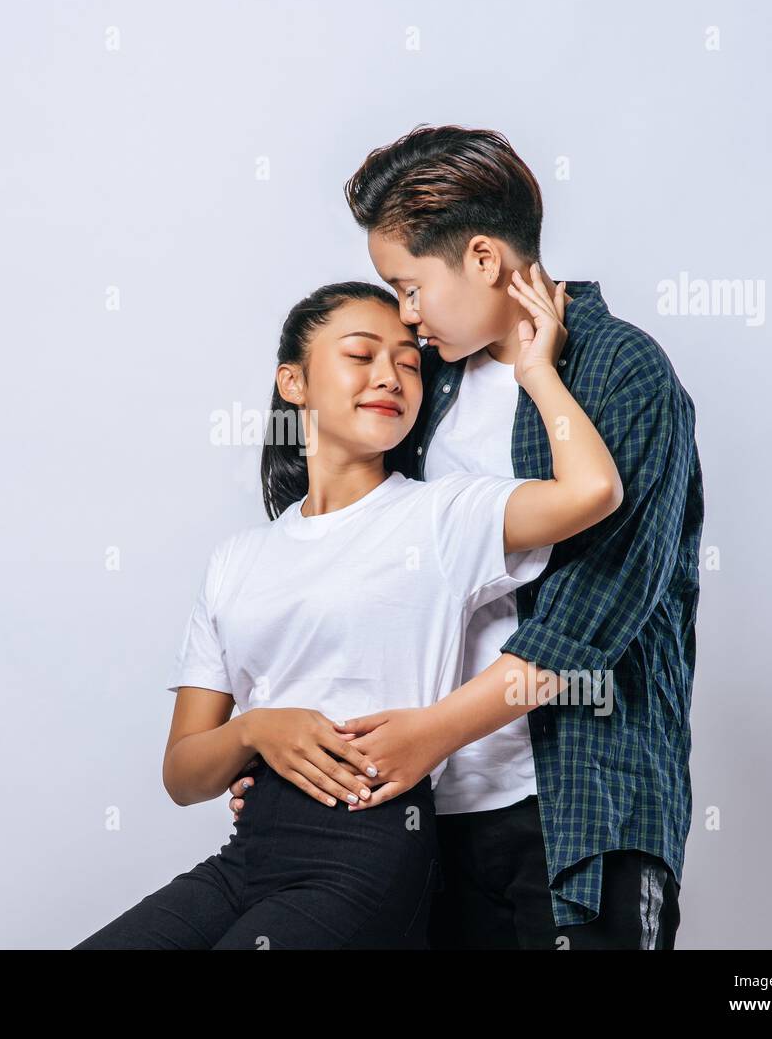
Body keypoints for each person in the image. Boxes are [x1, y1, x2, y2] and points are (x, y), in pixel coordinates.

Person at [230, 126, 704, 950]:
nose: (404, 318)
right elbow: (365, 570)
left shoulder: (623, 371)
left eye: (409, 288)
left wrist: (431, 733)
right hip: (426, 821)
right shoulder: (428, 383)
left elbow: (588, 622)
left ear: (483, 260)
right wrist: (293, 766)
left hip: (577, 811)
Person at [74, 270, 622, 949]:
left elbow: (592, 490)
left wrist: (535, 370)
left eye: (406, 362)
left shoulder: (441, 514)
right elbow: (184, 774)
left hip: (371, 849)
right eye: (361, 356)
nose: (391, 376)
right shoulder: (236, 560)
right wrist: (256, 730)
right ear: (293, 382)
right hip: (249, 855)